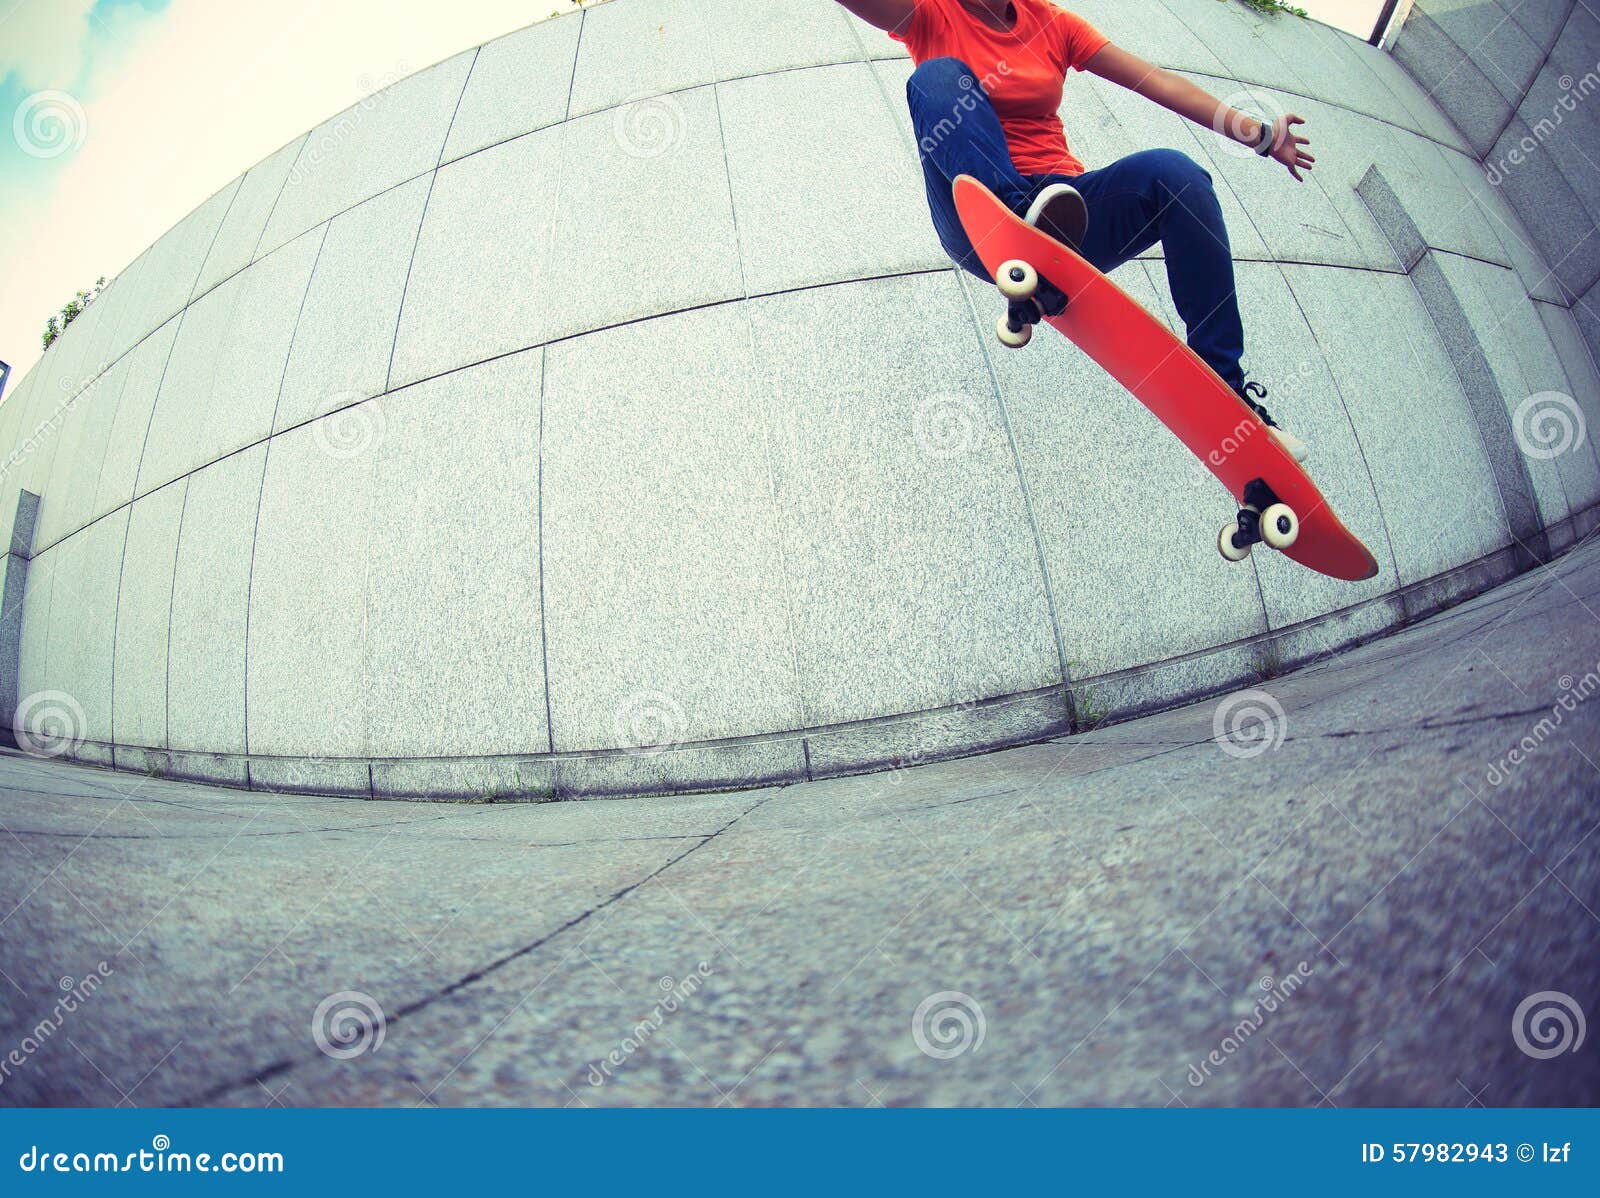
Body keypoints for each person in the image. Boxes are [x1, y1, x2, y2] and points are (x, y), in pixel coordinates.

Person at [834, 0, 1316, 460]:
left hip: (1065, 212)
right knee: (937, 77)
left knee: (1178, 175)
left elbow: (1154, 81)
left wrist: (1260, 135)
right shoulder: (929, 12)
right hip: (974, 214)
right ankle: (1016, 218)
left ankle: (1224, 390)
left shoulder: (1054, 24)